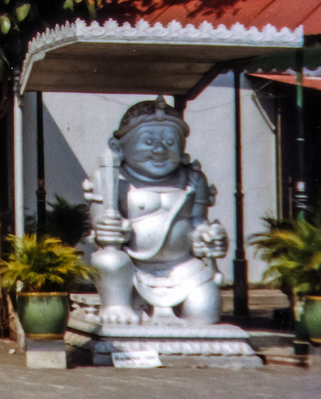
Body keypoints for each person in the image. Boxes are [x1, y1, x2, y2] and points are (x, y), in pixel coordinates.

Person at [84, 98, 229, 326]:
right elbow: (100, 224)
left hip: (183, 268)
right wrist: (109, 227)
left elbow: (199, 221)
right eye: (149, 141)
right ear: (119, 146)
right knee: (110, 259)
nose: (160, 149)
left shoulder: (192, 179)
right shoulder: (112, 179)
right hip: (131, 268)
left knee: (205, 313)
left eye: (170, 142)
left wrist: (209, 236)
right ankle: (116, 305)